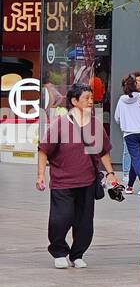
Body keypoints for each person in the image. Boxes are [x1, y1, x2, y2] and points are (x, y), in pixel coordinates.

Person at [36, 83, 116, 269]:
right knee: (60, 219)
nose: (91, 101)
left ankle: (77, 254)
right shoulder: (60, 124)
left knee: (85, 222)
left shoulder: (95, 125)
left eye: (91, 98)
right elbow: (43, 150)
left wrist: (111, 173)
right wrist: (40, 175)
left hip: (87, 181)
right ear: (74, 101)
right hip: (63, 182)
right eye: (86, 98)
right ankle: (59, 251)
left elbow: (103, 152)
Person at [112, 73, 140, 196]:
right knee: (136, 160)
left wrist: (126, 122)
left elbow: (117, 118)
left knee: (135, 159)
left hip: (130, 133)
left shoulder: (122, 99)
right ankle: (130, 186)